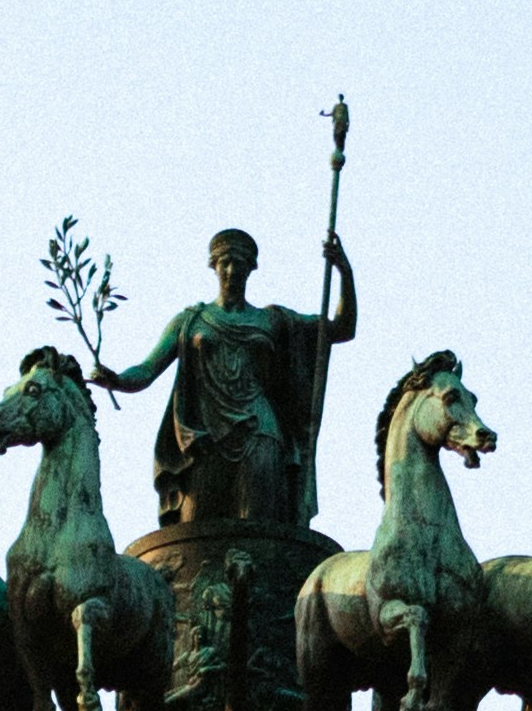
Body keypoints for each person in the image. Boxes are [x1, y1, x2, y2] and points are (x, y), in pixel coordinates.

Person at [87, 224, 356, 541]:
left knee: (259, 530)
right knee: (196, 530)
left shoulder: (272, 321)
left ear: (251, 269)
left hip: (260, 430)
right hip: (204, 437)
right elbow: (147, 370)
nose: (231, 270)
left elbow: (341, 328)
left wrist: (344, 272)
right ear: (213, 266)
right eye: (225, 262)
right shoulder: (191, 321)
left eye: (239, 263)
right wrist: (115, 379)